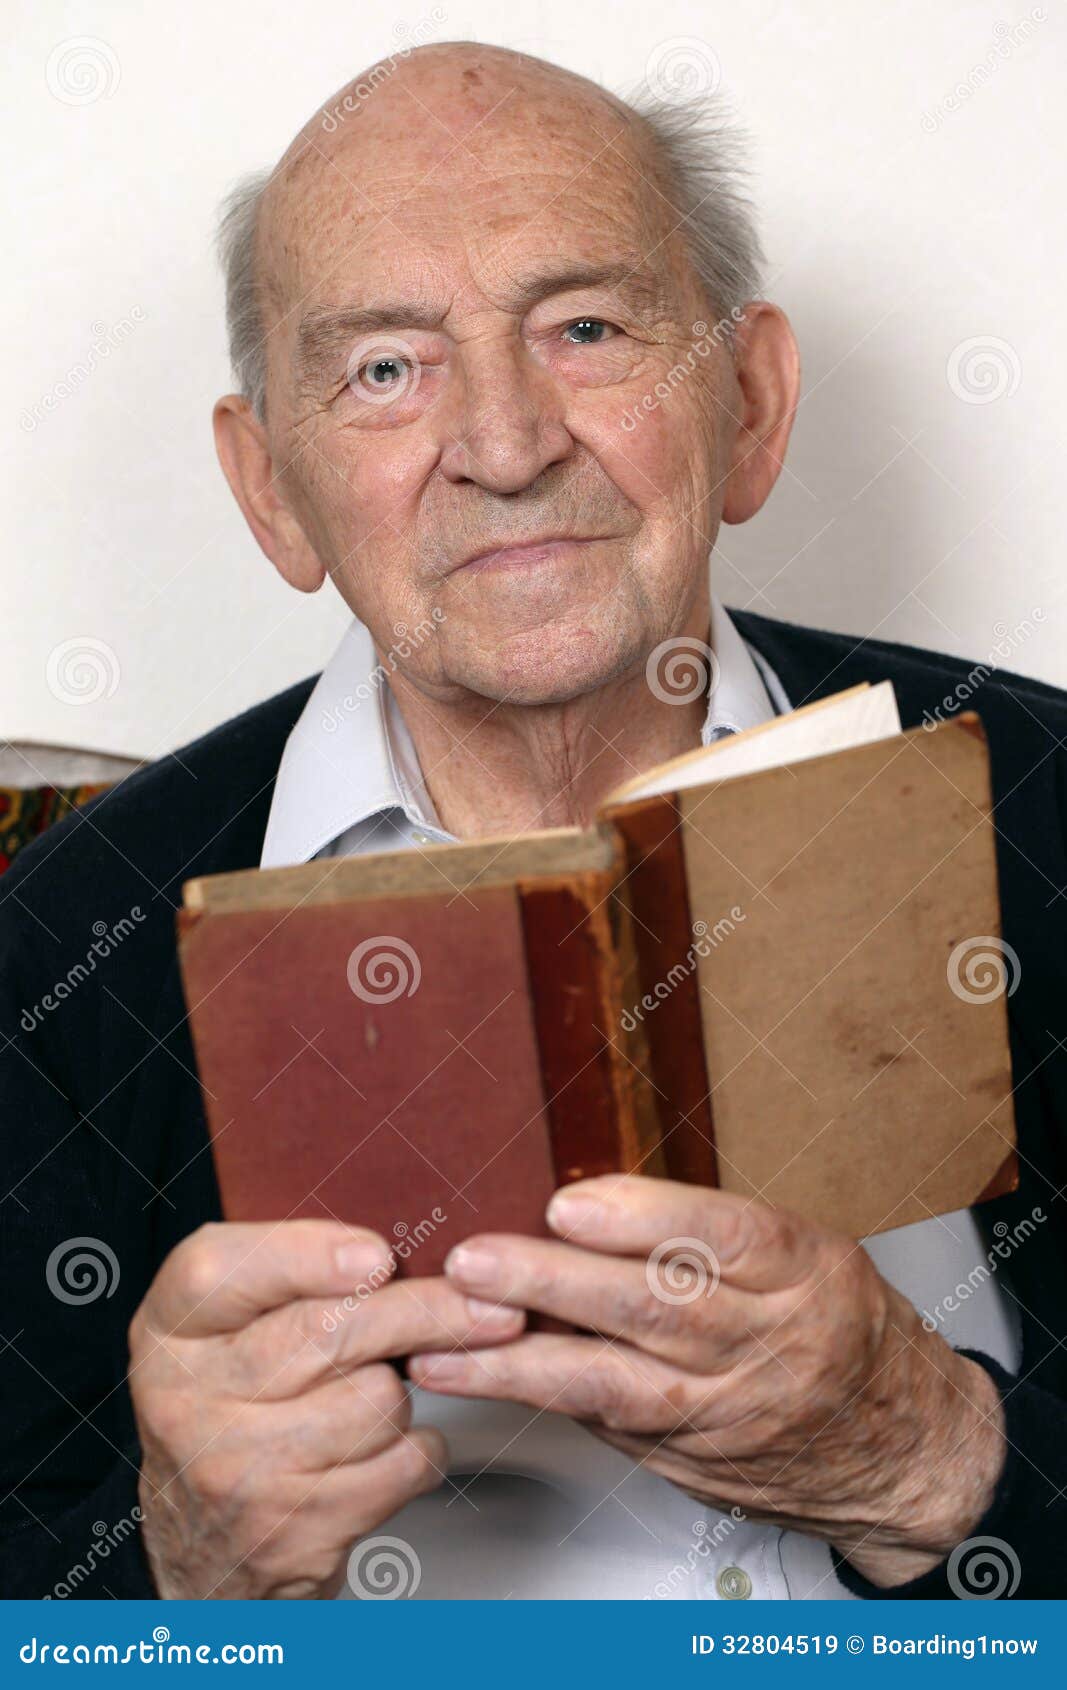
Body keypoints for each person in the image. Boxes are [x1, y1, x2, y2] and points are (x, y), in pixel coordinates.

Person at [2, 43, 1065, 1601]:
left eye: (585, 328)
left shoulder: (1039, 799)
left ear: (752, 402)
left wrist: (935, 1455)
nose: (506, 445)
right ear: (271, 491)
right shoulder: (57, 954)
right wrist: (175, 1575)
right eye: (384, 367)